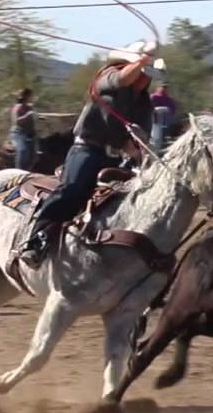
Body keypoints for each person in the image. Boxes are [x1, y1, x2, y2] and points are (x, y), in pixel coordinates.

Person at [16, 41, 163, 267]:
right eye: (143, 72)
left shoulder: (144, 103)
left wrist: (141, 151)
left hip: (119, 157)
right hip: (88, 149)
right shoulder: (107, 77)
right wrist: (144, 59)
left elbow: (140, 138)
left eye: (149, 75)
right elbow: (122, 79)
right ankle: (35, 240)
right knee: (72, 190)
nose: (146, 79)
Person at [10, 88, 38, 171]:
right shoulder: (17, 108)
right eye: (31, 96)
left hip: (30, 134)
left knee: (35, 152)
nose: (32, 98)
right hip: (20, 133)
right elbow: (17, 121)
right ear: (26, 96)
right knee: (22, 151)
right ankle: (19, 170)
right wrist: (27, 115)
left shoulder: (29, 107)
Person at [149, 84, 176, 151]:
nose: (164, 89)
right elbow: (149, 109)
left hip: (167, 124)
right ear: (158, 87)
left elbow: (173, 110)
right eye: (163, 87)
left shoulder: (169, 99)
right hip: (155, 123)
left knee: (164, 142)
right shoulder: (154, 97)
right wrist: (160, 109)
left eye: (166, 87)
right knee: (155, 140)